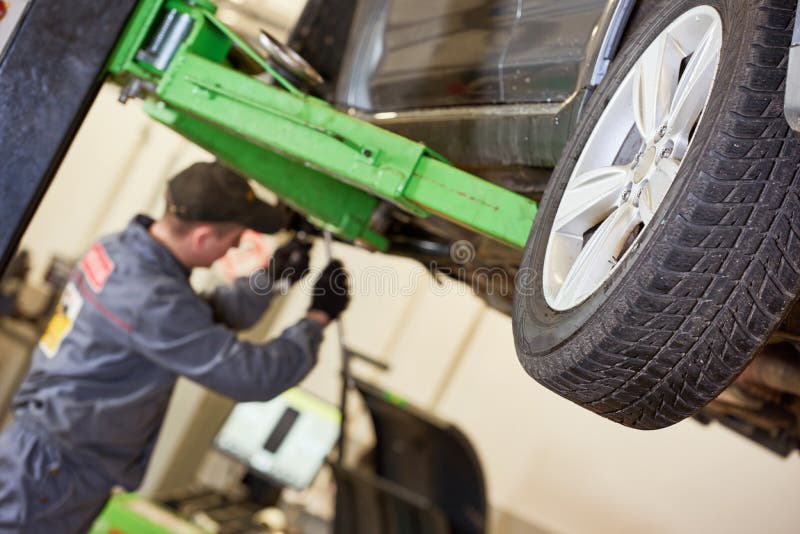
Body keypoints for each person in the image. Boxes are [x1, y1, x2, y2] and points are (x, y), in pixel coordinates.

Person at [0, 162, 350, 534]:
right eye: (234, 236)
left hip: (48, 463)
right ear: (201, 237)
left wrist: (271, 278)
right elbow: (253, 376)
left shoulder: (124, 253)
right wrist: (316, 319)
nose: (236, 245)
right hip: (54, 475)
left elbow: (196, 319)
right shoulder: (150, 297)